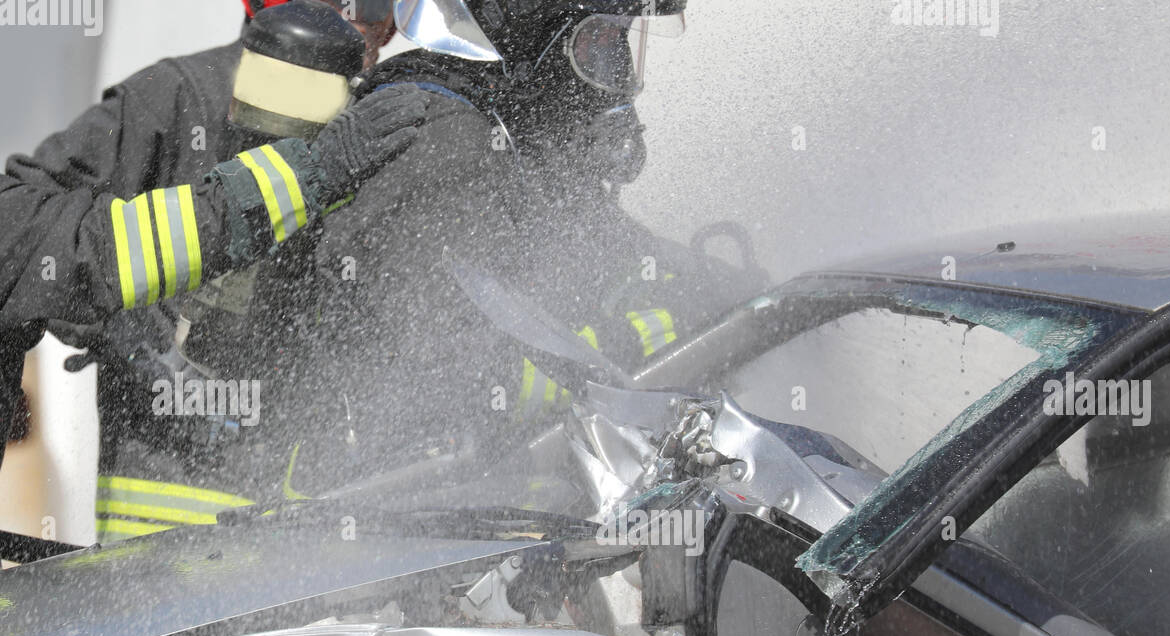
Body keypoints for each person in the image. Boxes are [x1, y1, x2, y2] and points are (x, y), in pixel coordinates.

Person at [275, 0, 766, 497]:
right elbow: (466, 382)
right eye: (598, 42)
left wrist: (707, 283)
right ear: (532, 35)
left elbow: (603, 242)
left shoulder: (513, 123)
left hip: (491, 492)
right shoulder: (445, 140)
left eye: (622, 41)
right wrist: (662, 331)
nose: (618, 68)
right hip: (401, 522)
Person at [0, 0, 423, 539]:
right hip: (161, 520)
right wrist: (117, 325)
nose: (346, 15)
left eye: (367, 3)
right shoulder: (178, 96)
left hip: (321, 531)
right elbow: (27, 234)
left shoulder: (399, 116)